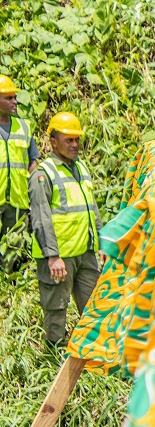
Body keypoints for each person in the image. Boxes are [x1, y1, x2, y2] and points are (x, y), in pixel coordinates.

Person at [29, 112, 101, 348]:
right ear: (53, 142)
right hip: (59, 258)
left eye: (77, 140)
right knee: (56, 311)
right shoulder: (43, 173)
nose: (74, 145)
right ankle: (54, 359)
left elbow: (92, 209)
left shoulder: (80, 167)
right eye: (68, 140)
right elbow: (41, 218)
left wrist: (100, 245)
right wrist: (52, 256)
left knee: (94, 308)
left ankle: (92, 359)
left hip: (85, 254)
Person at [0, 75, 40, 240]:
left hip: (18, 203)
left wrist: (33, 196)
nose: (15, 101)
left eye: (15, 97)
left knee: (13, 255)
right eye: (8, 98)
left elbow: (34, 163)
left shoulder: (24, 127)